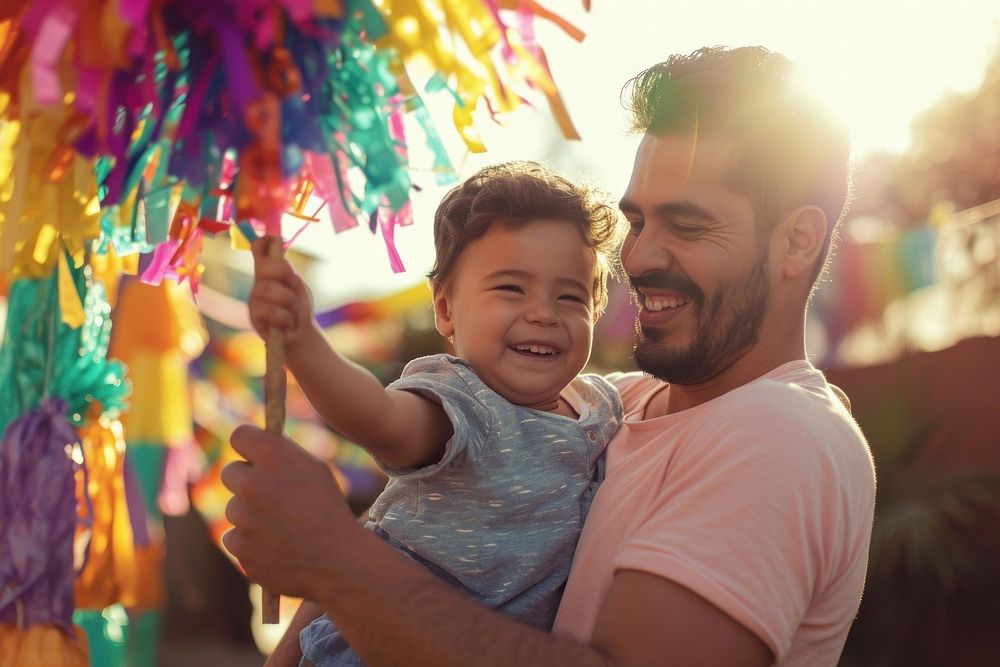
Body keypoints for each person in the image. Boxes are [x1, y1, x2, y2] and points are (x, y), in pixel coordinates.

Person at [223, 46, 876, 666]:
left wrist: (334, 558)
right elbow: (416, 513)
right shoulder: (609, 402)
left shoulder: (776, 435)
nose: (640, 256)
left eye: (689, 224)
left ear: (797, 242)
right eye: (640, 221)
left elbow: (358, 560)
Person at [245, 161, 625, 666]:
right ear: (445, 309)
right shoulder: (461, 399)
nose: (543, 313)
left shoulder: (603, 406)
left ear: (595, 312)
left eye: (570, 296)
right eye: (511, 288)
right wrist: (303, 344)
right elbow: (381, 418)